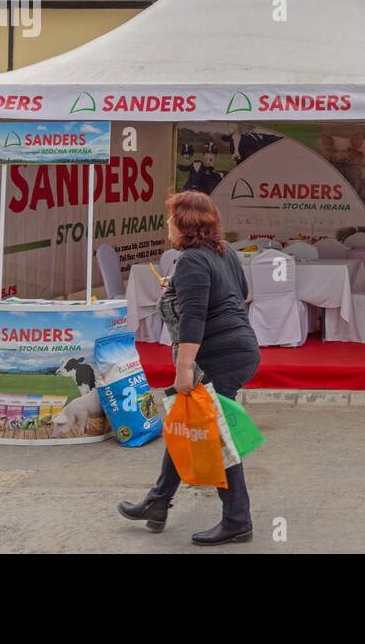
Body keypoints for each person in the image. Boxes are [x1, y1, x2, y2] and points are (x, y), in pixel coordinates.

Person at [118, 191, 263, 543]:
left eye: (169, 217)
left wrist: (183, 369)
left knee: (214, 435)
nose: (167, 223)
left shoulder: (192, 261)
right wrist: (182, 289)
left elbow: (195, 317)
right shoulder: (222, 253)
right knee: (187, 422)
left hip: (219, 354)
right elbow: (237, 291)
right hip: (239, 347)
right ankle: (158, 501)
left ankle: (237, 520)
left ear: (183, 223)